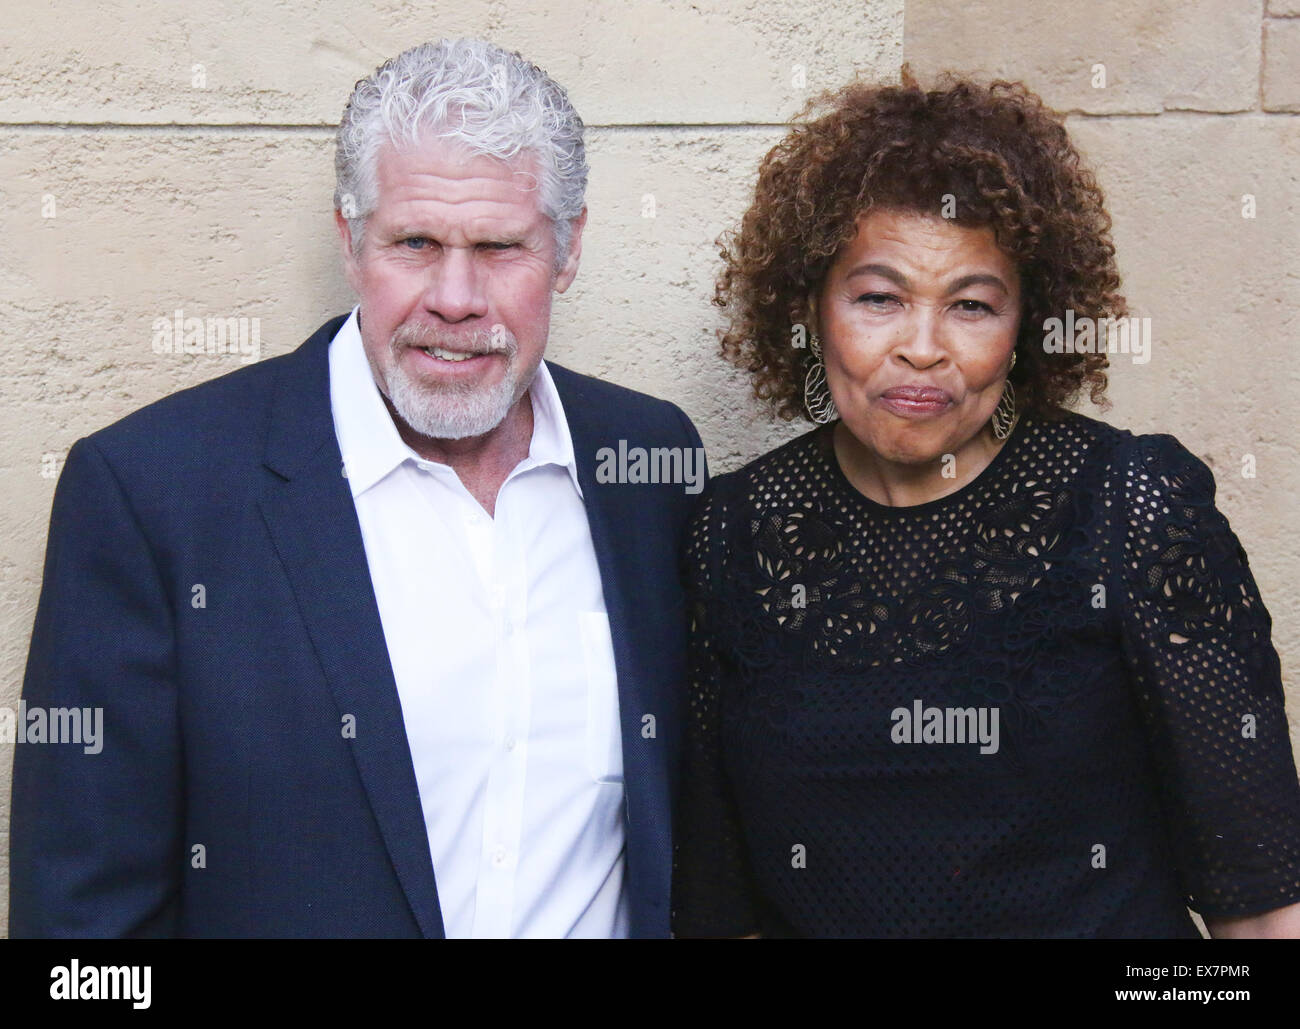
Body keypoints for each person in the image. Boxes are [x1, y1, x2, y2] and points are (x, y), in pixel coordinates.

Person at [10, 38, 704, 939]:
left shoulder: (648, 465)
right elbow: (81, 930)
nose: (455, 297)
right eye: (414, 242)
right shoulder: (154, 493)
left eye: (500, 247)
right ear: (349, 240)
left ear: (568, 251)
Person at [671, 71, 1300, 938]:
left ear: (1025, 326)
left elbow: (1263, 908)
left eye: (970, 305)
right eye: (879, 298)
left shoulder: (1129, 503)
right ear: (811, 307)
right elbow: (722, 905)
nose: (922, 349)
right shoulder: (731, 534)